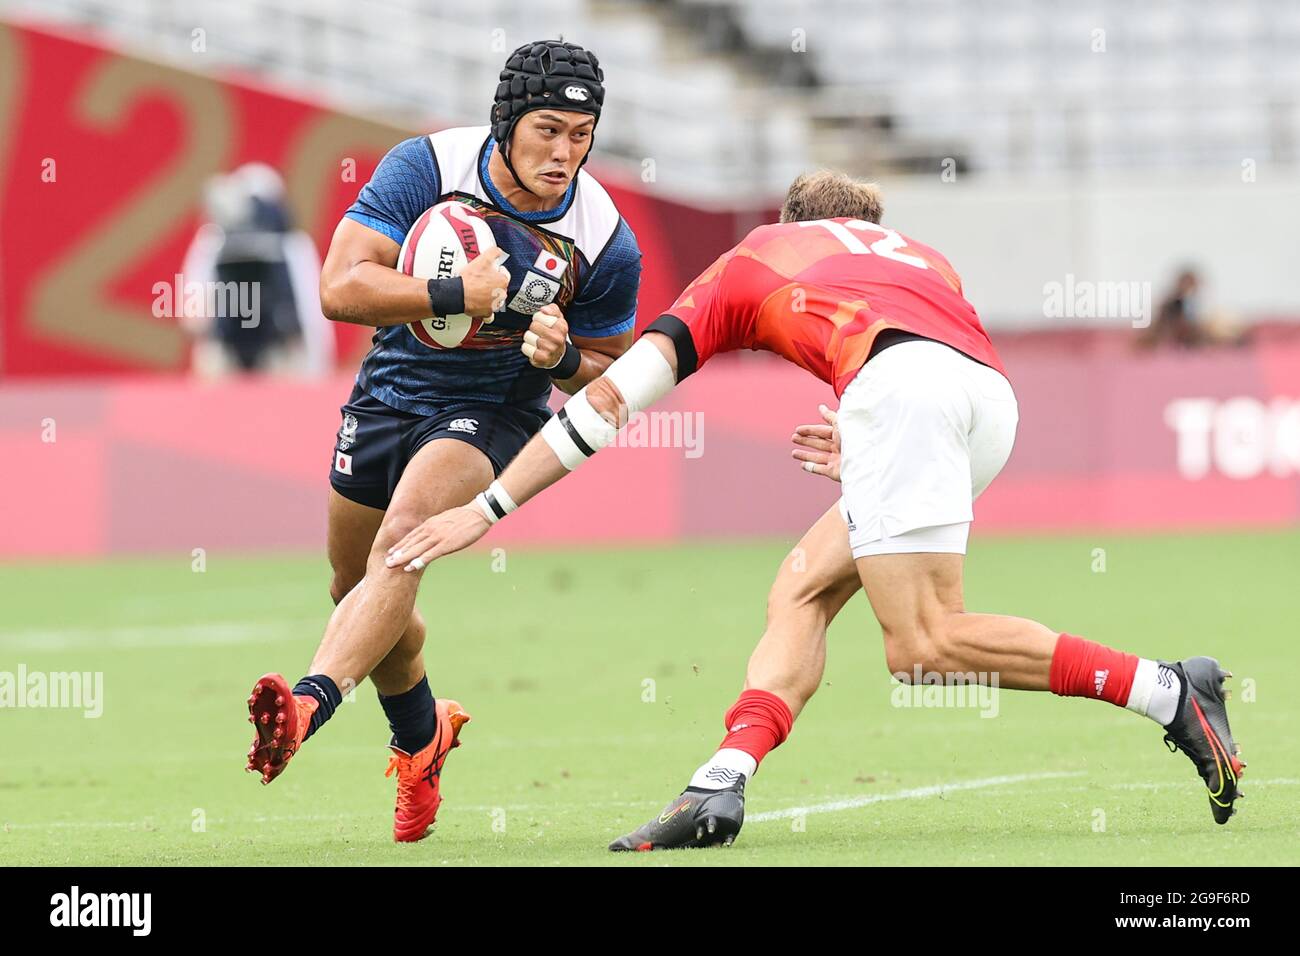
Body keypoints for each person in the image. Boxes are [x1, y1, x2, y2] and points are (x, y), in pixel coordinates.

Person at [385, 170, 1246, 850]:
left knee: (925, 644)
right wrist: (876, 455)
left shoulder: (757, 254)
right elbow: (932, 364)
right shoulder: (917, 254)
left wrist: (489, 506)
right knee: (800, 588)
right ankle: (721, 782)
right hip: (984, 400)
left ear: (791, 217)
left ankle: (1170, 691)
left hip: (903, 396)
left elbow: (609, 400)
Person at [243, 40, 642, 843]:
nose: (565, 153)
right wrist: (458, 290)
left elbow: (615, 374)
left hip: (492, 413)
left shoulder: (604, 236)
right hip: (388, 392)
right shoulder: (425, 165)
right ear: (506, 120)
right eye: (547, 130)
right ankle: (421, 738)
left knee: (402, 546)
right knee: (352, 587)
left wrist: (561, 356)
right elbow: (338, 287)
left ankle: (310, 703)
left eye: (581, 133)